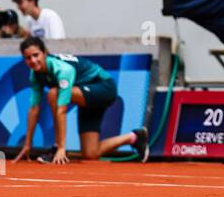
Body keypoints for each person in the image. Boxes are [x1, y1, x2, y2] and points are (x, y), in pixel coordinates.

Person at [13, 35, 148, 165]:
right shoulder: (35, 75)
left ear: (45, 53)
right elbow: (34, 109)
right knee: (90, 153)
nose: (33, 60)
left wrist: (61, 148)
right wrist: (27, 144)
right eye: (28, 58)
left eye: (36, 55)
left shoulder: (62, 70)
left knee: (54, 94)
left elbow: (62, 109)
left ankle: (56, 147)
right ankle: (134, 137)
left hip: (104, 87)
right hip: (86, 97)